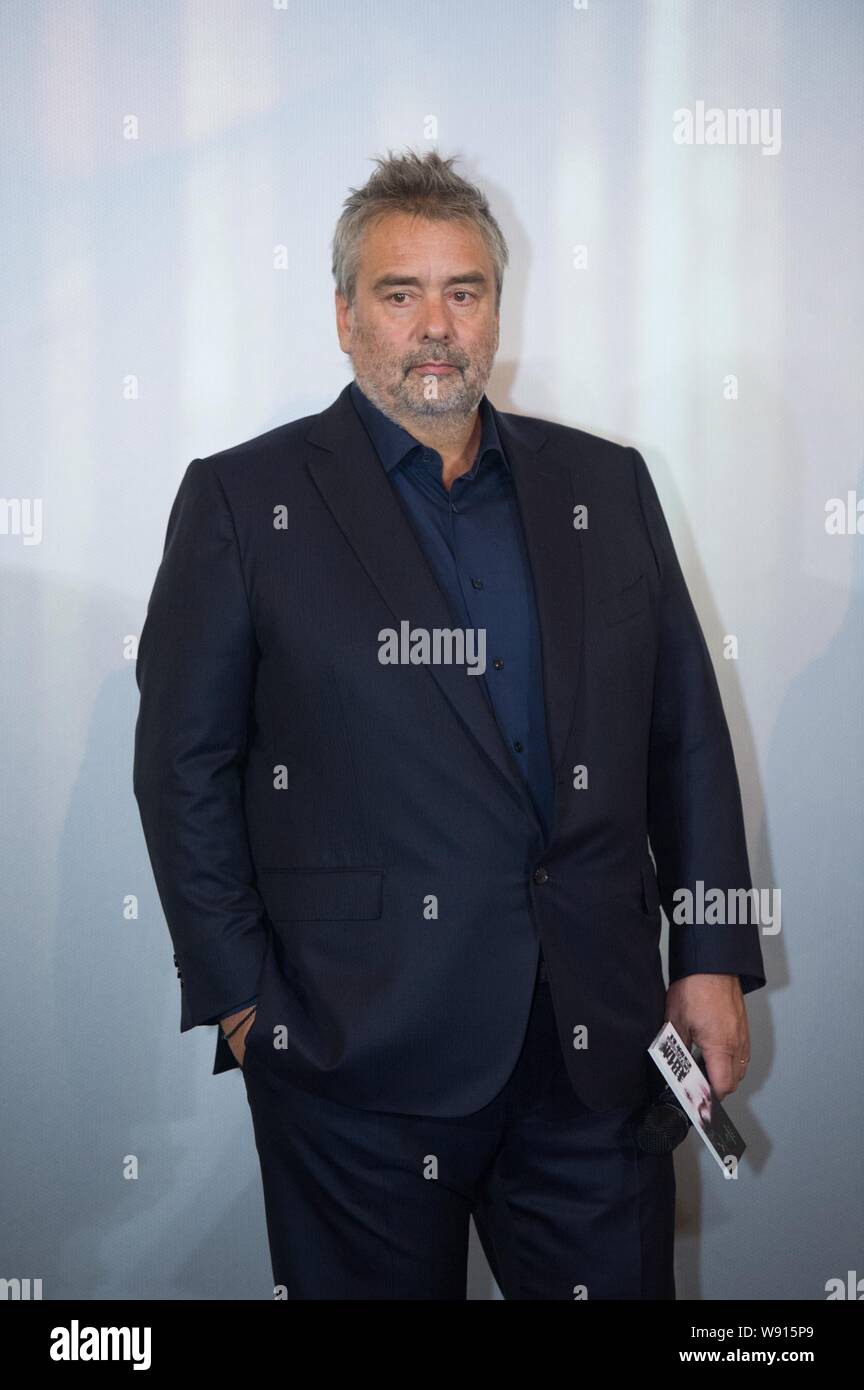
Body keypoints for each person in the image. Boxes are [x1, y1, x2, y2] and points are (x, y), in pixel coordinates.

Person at [132, 148, 765, 1300]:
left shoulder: (606, 485)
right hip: (354, 1061)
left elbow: (685, 736)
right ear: (343, 317)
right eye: (400, 292)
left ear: (495, 313)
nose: (437, 324)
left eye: (463, 292)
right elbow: (184, 766)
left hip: (593, 1051)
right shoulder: (243, 502)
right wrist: (242, 1003)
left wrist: (712, 953)